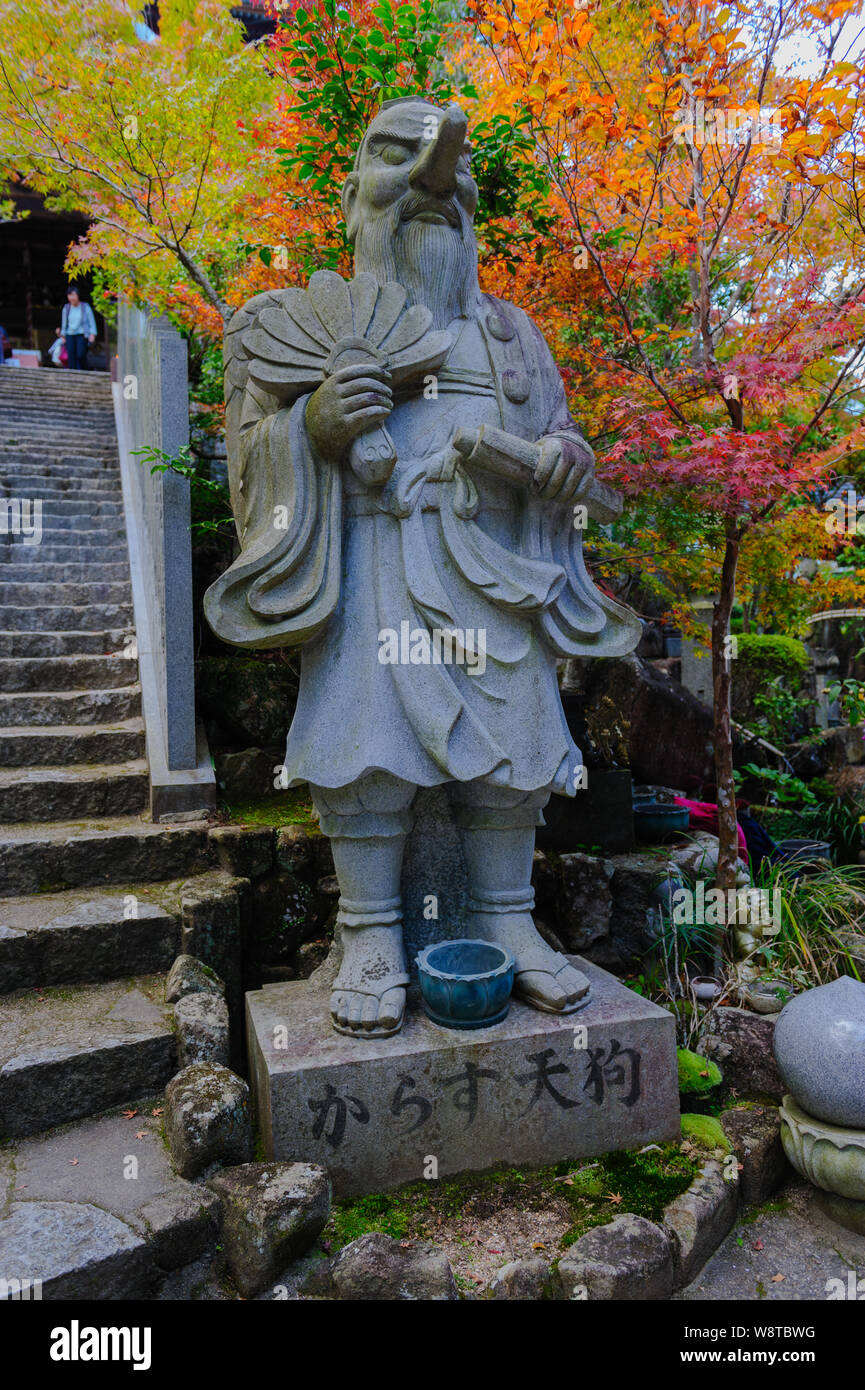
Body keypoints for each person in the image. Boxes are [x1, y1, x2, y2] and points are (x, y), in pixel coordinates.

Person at [206, 99, 640, 1038]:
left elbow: (554, 443)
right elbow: (251, 461)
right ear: (352, 190)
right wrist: (313, 427)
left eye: (449, 173)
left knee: (517, 746)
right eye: (395, 159)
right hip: (370, 554)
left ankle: (508, 920)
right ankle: (367, 934)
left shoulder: (514, 337)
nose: (432, 184)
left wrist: (564, 459)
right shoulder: (291, 324)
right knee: (364, 743)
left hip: (491, 564)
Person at [57, 287, 97, 370]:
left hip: (82, 334)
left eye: (73, 295)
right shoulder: (66, 308)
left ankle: (85, 371)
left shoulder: (85, 307)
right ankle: (72, 375)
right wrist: (63, 336)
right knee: (71, 356)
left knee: (81, 354)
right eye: (69, 295)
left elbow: (91, 321)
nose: (72, 297)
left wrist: (92, 334)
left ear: (78, 295)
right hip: (70, 334)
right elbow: (64, 323)